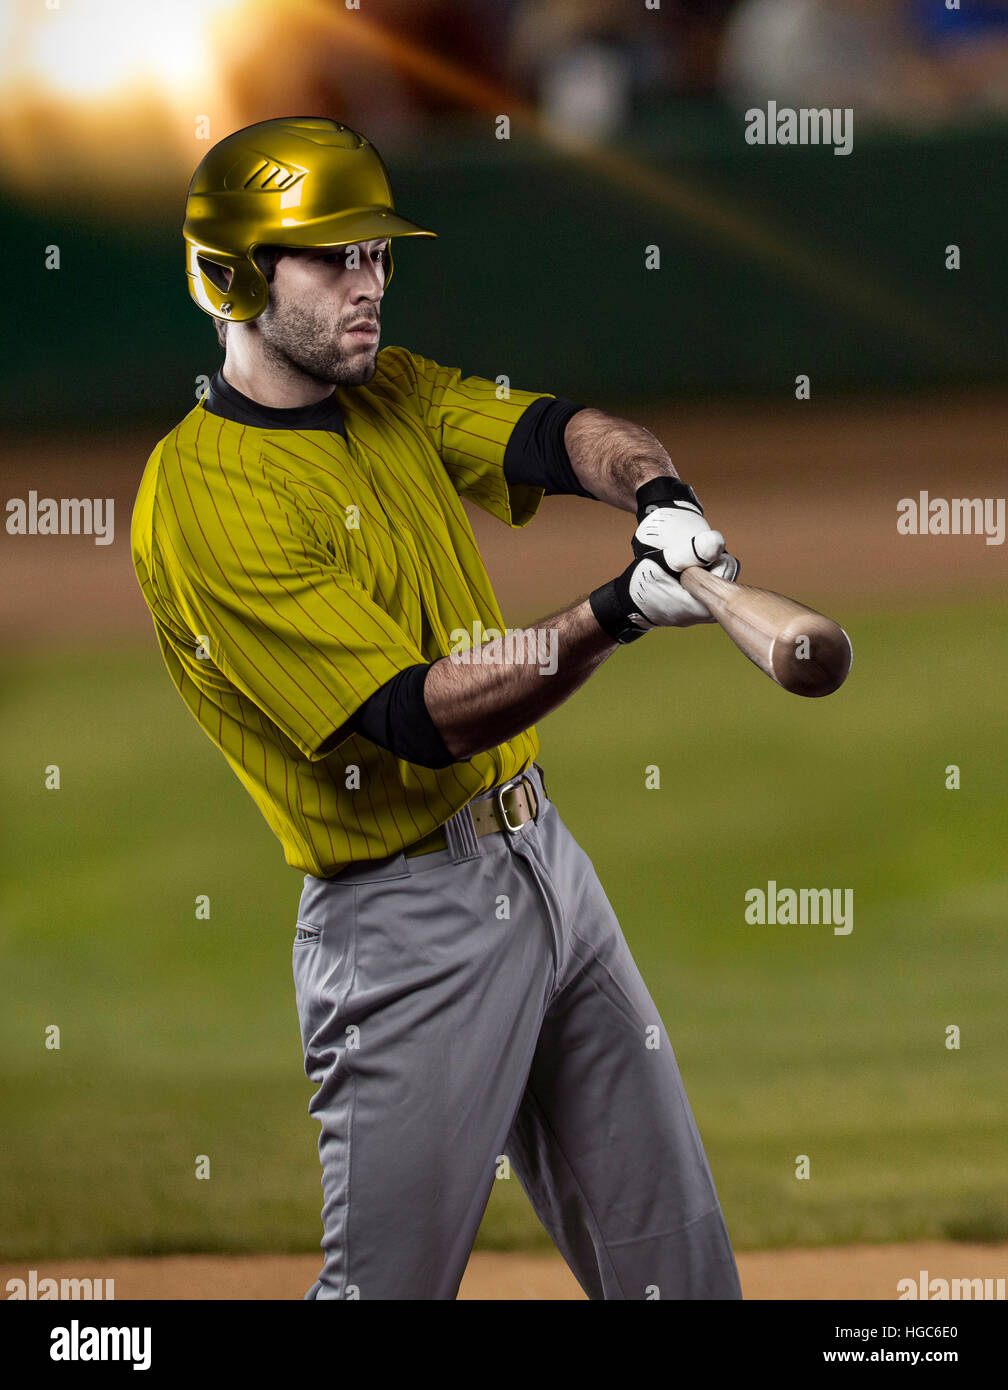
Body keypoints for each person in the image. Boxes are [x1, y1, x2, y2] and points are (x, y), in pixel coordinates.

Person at [130, 116, 744, 1301]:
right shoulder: (204, 502)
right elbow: (422, 717)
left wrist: (659, 492)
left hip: (548, 868)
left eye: (378, 256)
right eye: (333, 258)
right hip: (403, 933)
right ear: (236, 272)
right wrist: (616, 609)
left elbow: (556, 432)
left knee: (678, 1274)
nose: (370, 286)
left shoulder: (394, 394)